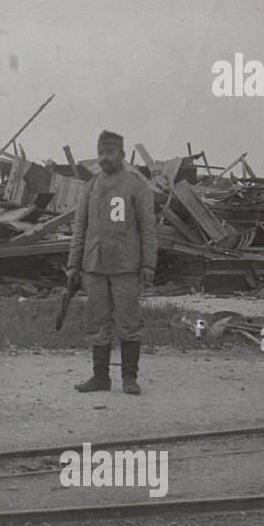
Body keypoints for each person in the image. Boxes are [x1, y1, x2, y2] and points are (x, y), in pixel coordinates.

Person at [65, 130, 157, 395]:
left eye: (109, 152)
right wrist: (73, 264)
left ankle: (129, 378)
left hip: (126, 266)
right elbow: (79, 228)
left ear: (122, 154)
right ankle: (100, 377)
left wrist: (148, 264)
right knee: (97, 322)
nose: (104, 158)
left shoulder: (137, 185)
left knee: (129, 323)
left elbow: (148, 229)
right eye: (101, 152)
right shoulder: (90, 186)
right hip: (94, 266)